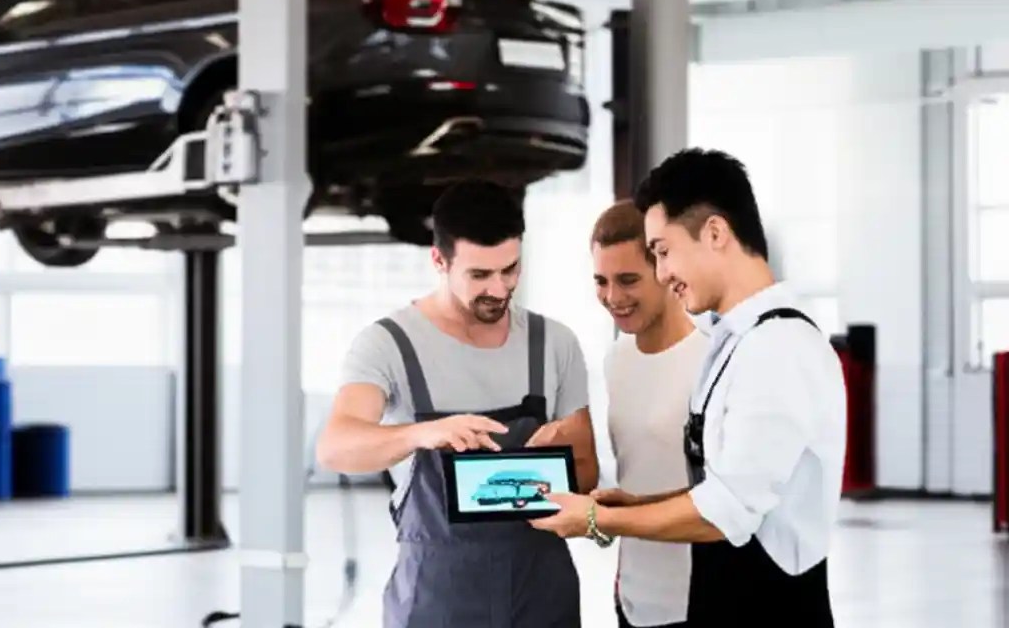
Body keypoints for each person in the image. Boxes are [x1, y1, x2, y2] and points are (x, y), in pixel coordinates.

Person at [530, 148, 846, 627]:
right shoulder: (736, 340)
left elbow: (729, 511)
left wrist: (597, 521)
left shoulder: (778, 346)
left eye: (662, 251)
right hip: (721, 602)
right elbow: (729, 483)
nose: (662, 273)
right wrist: (639, 503)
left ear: (715, 233)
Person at [315, 178, 599, 628]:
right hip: (437, 598)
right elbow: (336, 447)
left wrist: (550, 462)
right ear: (439, 261)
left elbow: (587, 470)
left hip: (540, 594)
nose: (499, 289)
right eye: (479, 275)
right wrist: (423, 433)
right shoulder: (388, 345)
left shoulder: (554, 344)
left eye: (510, 269)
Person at [590, 199, 709, 628]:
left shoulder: (711, 361)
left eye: (627, 280)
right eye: (601, 281)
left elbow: (726, 500)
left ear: (665, 269)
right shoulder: (615, 361)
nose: (612, 297)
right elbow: (636, 474)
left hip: (697, 601)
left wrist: (615, 515)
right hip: (633, 597)